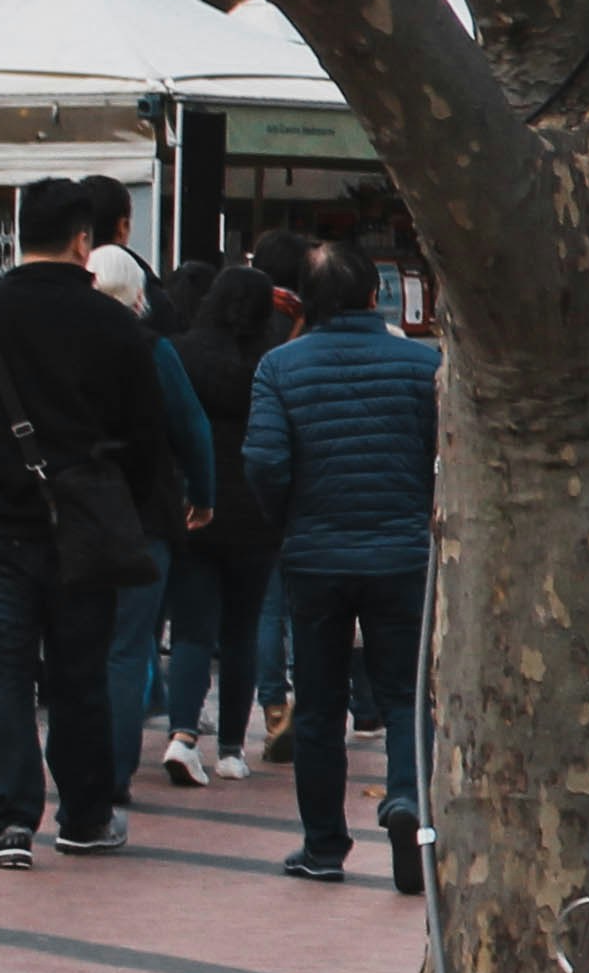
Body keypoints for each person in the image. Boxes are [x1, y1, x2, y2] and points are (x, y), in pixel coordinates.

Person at [0, 176, 186, 866]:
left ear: (19, 235)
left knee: (1, 674)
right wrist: (121, 503)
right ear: (82, 241)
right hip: (85, 526)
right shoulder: (116, 326)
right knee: (80, 672)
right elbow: (148, 436)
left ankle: (10, 821)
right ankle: (85, 815)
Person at [246, 244, 441, 889]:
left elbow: (265, 461)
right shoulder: (423, 364)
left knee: (320, 703)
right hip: (403, 552)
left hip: (315, 555)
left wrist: (287, 519)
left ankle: (324, 845)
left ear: (306, 300)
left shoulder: (279, 367)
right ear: (373, 296)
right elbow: (444, 452)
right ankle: (408, 800)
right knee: (407, 695)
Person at [85, 228, 217, 816]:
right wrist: (202, 495)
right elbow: (192, 428)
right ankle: (113, 773)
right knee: (128, 647)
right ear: (138, 295)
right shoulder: (154, 350)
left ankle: (76, 763)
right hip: (145, 513)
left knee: (78, 646)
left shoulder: (65, 345)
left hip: (76, 511)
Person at [159, 247, 298, 785]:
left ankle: (182, 733)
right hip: (256, 513)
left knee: (192, 629)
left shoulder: (181, 353)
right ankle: (233, 749)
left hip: (194, 506)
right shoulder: (274, 362)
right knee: (241, 631)